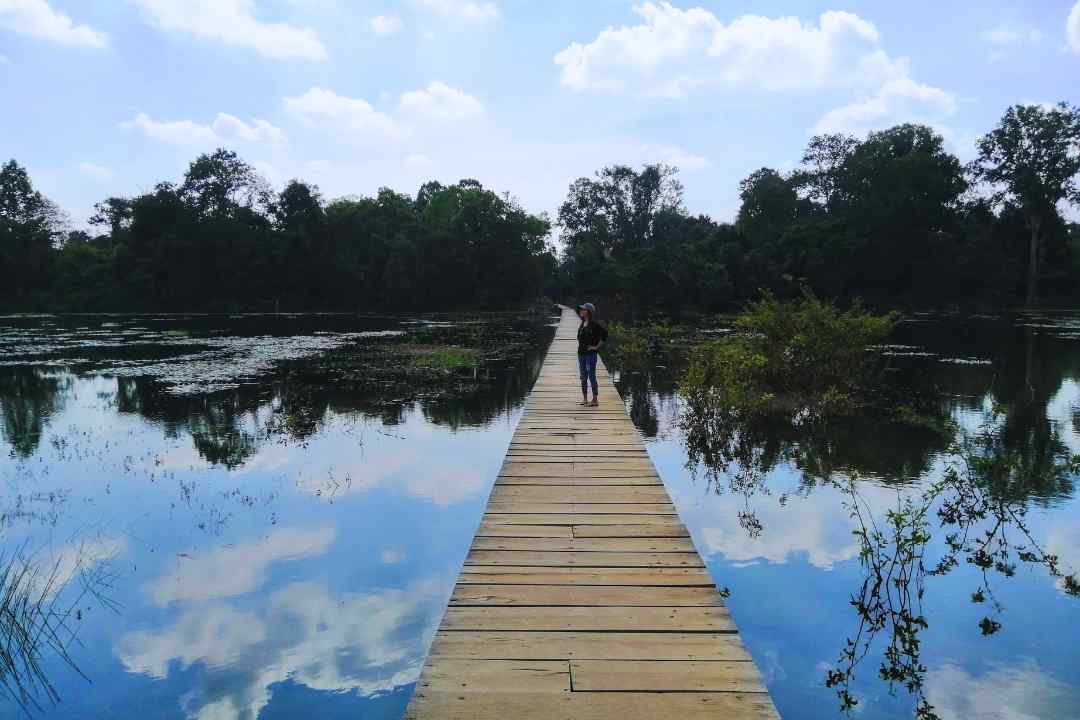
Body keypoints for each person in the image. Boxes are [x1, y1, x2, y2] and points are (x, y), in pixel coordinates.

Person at [576, 302, 608, 407]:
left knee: (591, 375)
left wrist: (596, 347)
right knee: (583, 376)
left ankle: (595, 400)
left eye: (583, 310)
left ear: (589, 312)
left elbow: (604, 335)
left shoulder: (595, 324)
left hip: (591, 354)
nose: (581, 311)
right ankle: (585, 399)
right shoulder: (582, 323)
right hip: (581, 354)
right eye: (581, 309)